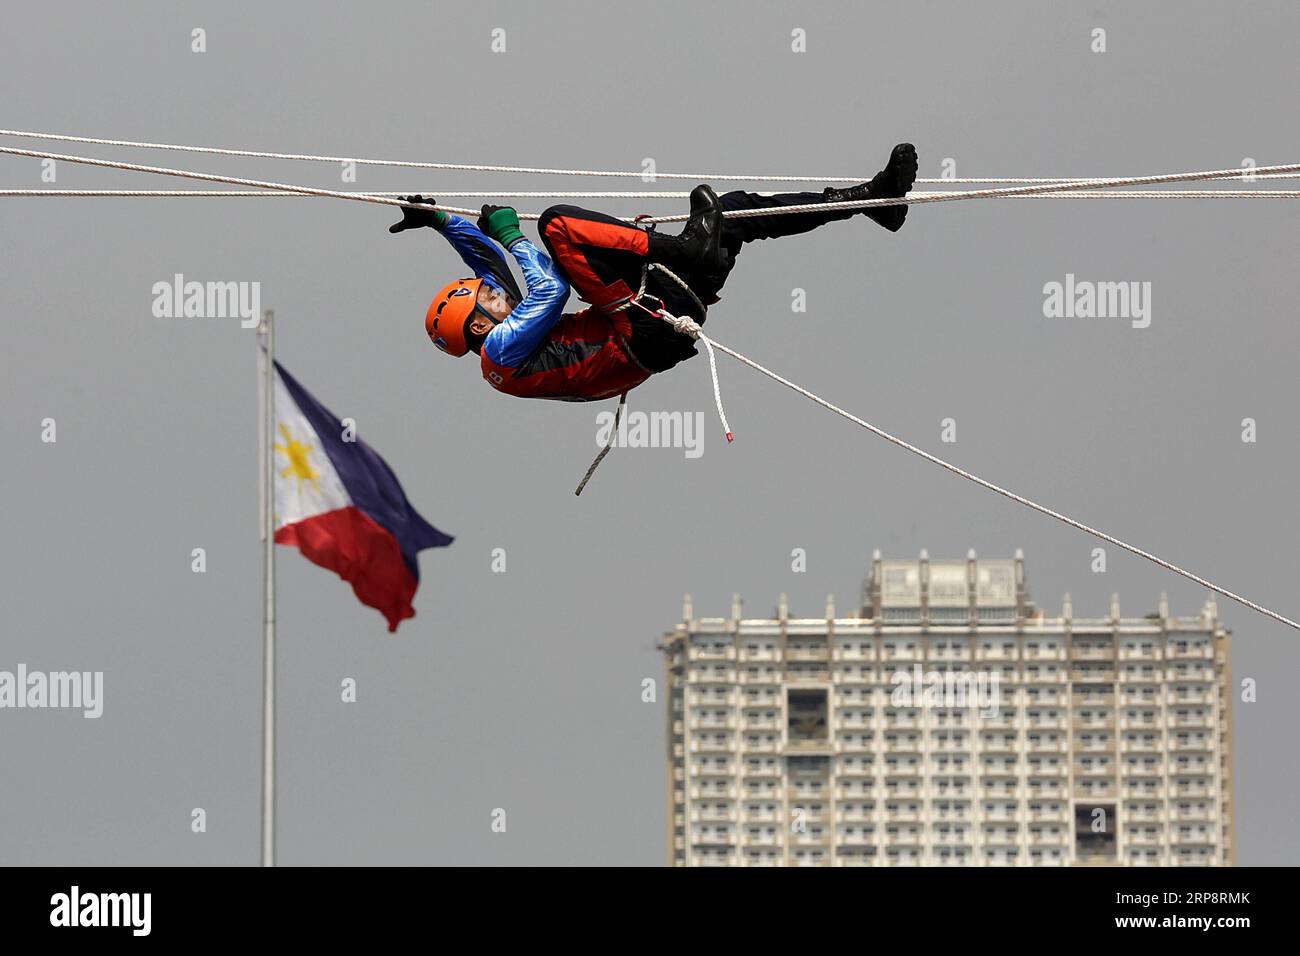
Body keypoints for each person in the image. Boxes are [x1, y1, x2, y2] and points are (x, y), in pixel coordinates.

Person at [389, 144, 918, 402]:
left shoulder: (500, 340)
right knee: (557, 227)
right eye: (486, 298)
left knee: (733, 214)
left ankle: (872, 199)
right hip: (643, 328)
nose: (493, 290)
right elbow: (548, 289)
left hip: (651, 321)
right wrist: (511, 235)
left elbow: (487, 266)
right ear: (479, 326)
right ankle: (686, 251)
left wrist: (439, 220)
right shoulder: (498, 354)